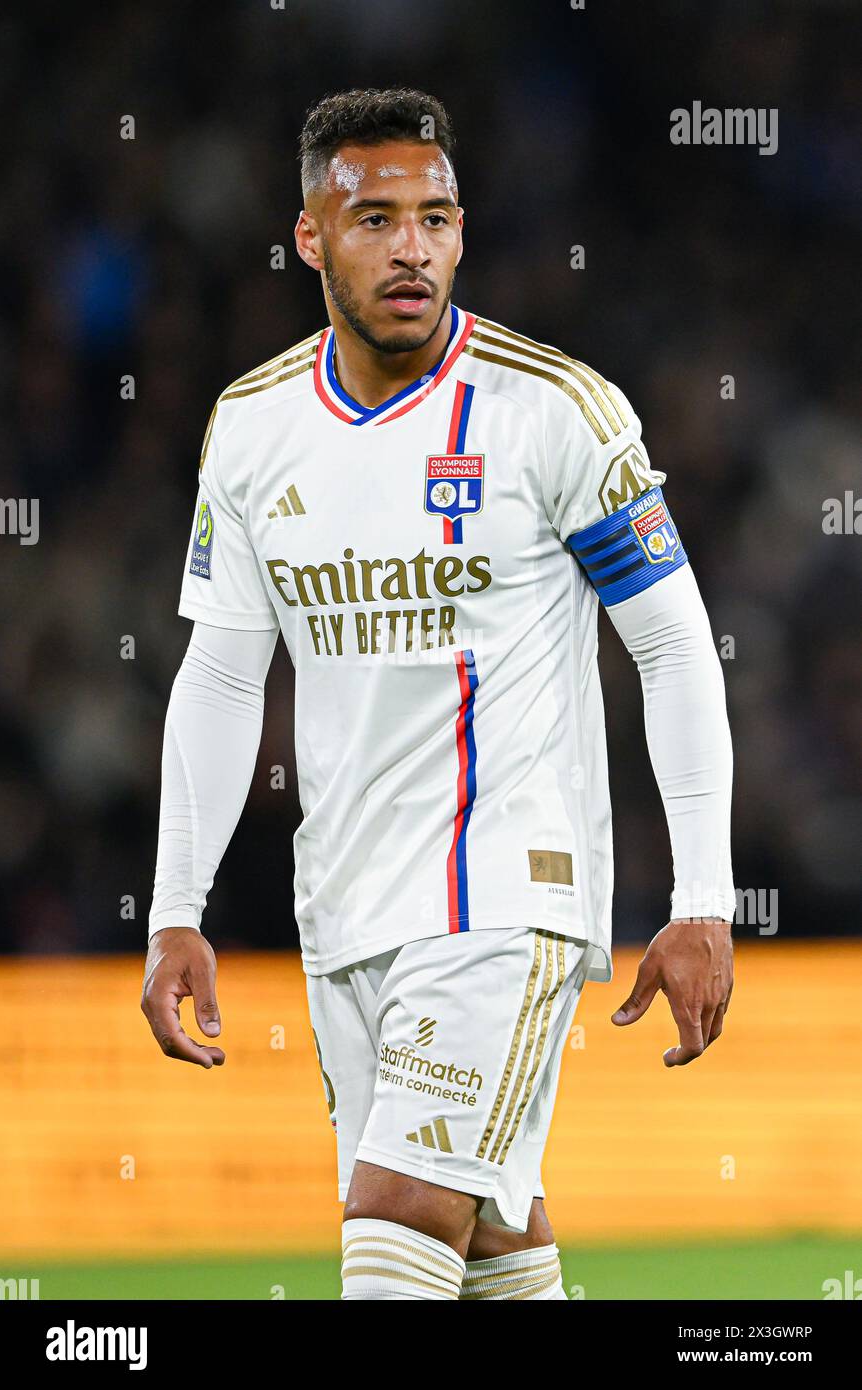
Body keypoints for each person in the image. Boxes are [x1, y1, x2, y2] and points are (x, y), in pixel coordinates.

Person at [141, 87, 735, 1302]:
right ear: (310, 235)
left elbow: (673, 647)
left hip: (508, 887)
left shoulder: (554, 411)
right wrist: (173, 907)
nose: (411, 247)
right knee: (480, 1250)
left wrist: (704, 895)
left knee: (395, 1222)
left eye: (437, 218)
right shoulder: (251, 427)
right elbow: (218, 670)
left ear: (462, 231)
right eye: (374, 220)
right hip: (344, 902)